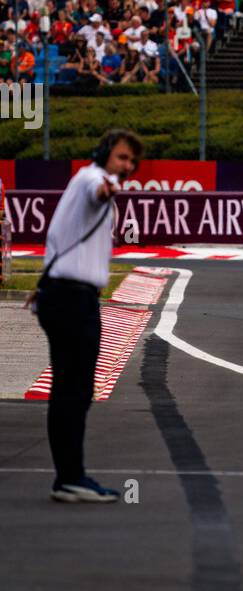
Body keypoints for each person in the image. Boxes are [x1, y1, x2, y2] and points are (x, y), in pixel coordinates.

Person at [30, 129, 142, 503]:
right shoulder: (93, 180)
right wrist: (107, 190)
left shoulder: (81, 180)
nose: (126, 166)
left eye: (131, 161)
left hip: (65, 294)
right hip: (72, 300)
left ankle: (69, 475)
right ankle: (71, 476)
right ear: (105, 152)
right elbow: (100, 191)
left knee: (70, 388)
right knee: (73, 389)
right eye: (122, 157)